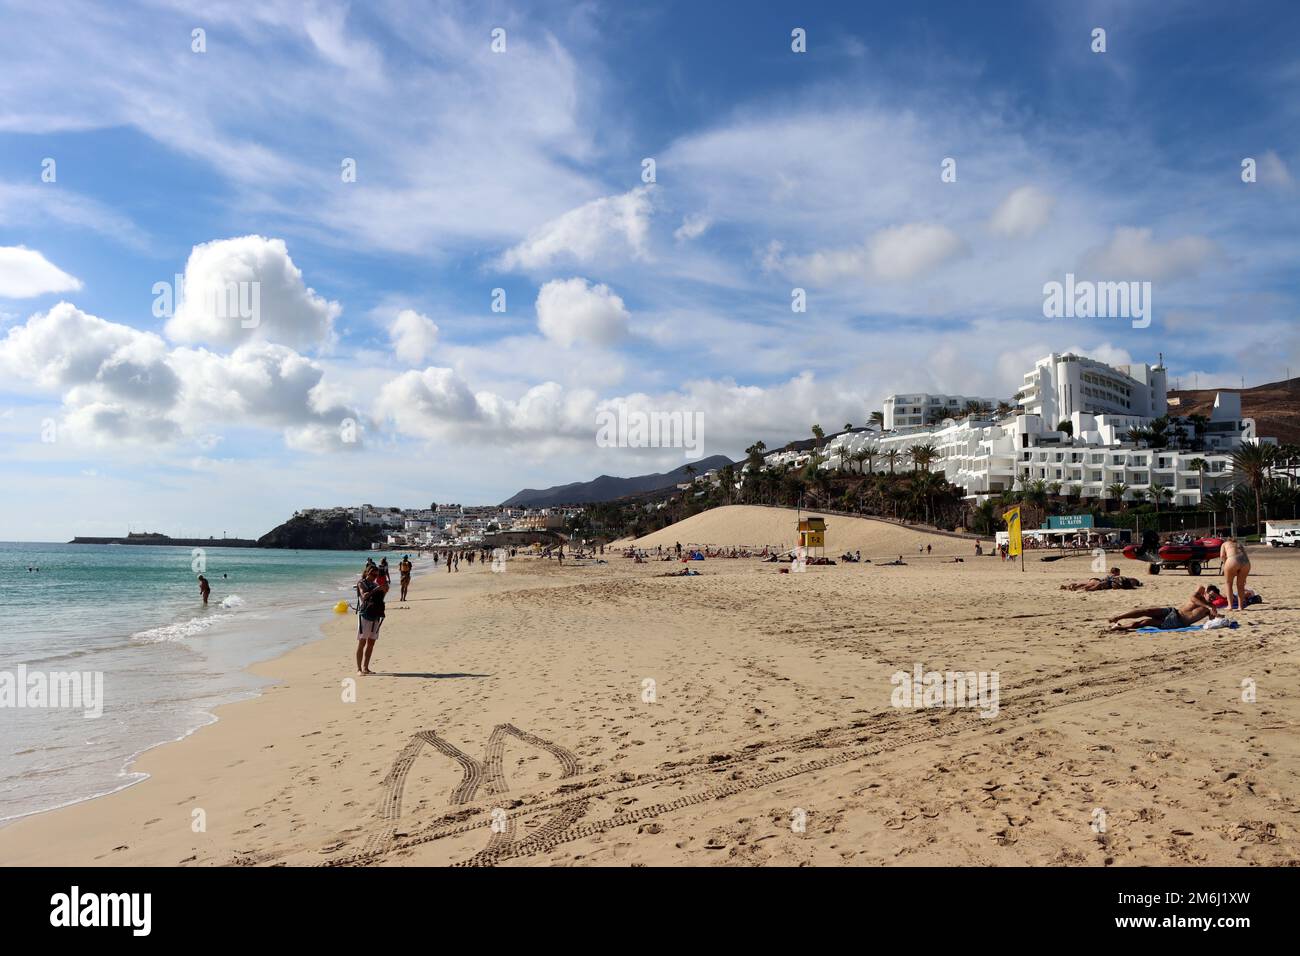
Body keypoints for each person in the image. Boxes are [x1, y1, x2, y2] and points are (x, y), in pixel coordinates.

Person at [1108, 586, 1220, 631]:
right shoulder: (1199, 598)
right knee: (1146, 611)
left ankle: (1120, 627)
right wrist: (1207, 605)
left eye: (1214, 598)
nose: (1212, 599)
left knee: (1146, 622)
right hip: (1173, 611)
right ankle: (1118, 617)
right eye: (1210, 596)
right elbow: (1193, 598)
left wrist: (1216, 616)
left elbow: (1211, 621)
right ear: (1205, 593)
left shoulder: (1211, 607)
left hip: (1178, 621)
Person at [355, 565, 388, 675]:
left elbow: (379, 599)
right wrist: (377, 589)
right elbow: (364, 596)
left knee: (371, 643)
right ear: (367, 572)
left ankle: (366, 667)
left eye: (376, 575)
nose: (374, 577)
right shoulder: (361, 583)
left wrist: (384, 590)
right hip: (365, 615)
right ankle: (359, 669)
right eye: (372, 574)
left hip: (375, 615)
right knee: (362, 642)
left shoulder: (375, 584)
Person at [1220, 537, 1252, 610]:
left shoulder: (1224, 544)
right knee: (1241, 585)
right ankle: (1240, 607)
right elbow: (1245, 555)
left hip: (1232, 559)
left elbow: (1222, 556)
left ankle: (1230, 606)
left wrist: (1226, 564)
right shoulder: (1239, 544)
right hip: (1245, 562)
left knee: (1228, 583)